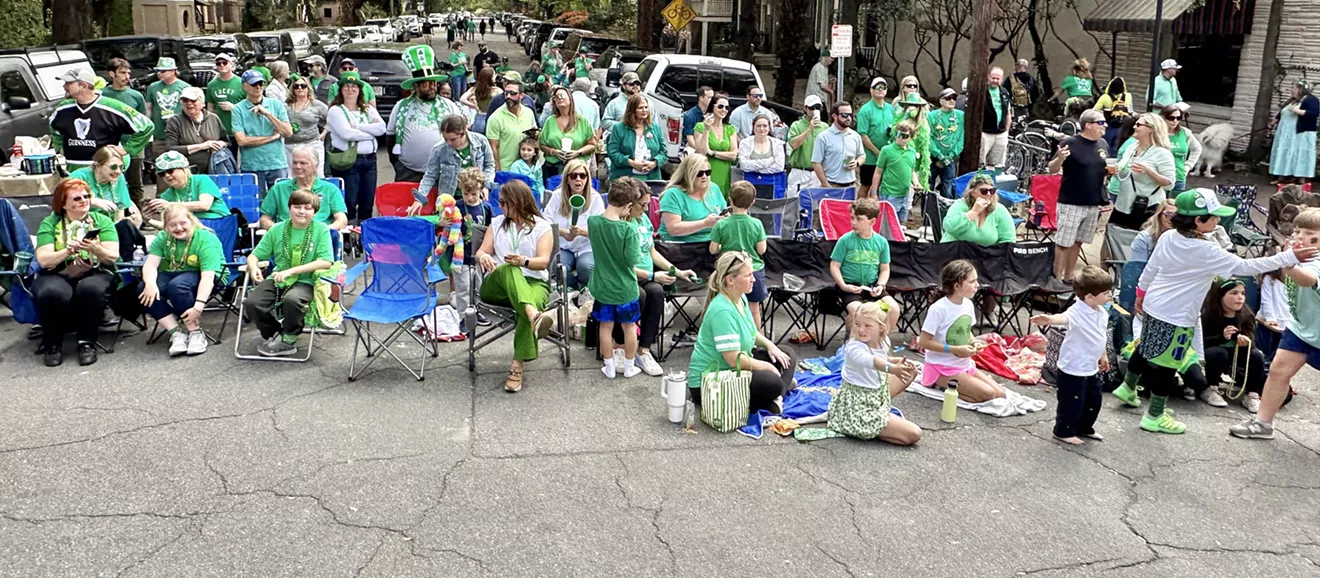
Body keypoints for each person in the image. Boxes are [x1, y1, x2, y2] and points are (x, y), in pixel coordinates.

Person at [1113, 189, 1313, 434]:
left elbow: (1151, 269)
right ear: (1198, 220)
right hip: (1177, 314)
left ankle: (1128, 387)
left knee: (1146, 346)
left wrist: (1140, 296)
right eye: (1213, 217)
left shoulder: (1168, 236)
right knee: (1167, 364)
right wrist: (1288, 256)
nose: (1218, 220)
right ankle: (1154, 414)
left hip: (1154, 304)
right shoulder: (1205, 250)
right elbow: (1246, 266)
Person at [1231, 209, 1320, 439]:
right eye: (1298, 231)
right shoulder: (1302, 258)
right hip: (1301, 328)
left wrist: (1289, 265)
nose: (1300, 237)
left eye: (1310, 234)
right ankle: (1262, 424)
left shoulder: (1314, 262)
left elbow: (1308, 279)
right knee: (1279, 370)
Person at [473, 181, 558, 393]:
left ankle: (517, 365)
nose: (500, 206)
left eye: (503, 202)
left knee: (527, 300)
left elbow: (543, 261)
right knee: (509, 269)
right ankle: (533, 314)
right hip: (498, 284)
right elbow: (481, 251)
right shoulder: (497, 223)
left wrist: (524, 262)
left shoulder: (542, 226)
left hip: (534, 280)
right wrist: (483, 257)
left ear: (517, 202)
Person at [688, 251, 798, 413]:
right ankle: (778, 390)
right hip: (709, 382)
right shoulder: (722, 311)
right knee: (771, 380)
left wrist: (770, 345)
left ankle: (776, 395)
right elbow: (733, 360)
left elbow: (751, 331)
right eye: (748, 275)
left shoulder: (740, 297)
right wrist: (766, 366)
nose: (753, 279)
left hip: (734, 368)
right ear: (730, 280)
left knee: (786, 353)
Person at [32, 179, 121, 366]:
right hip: (58, 271)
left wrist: (96, 249)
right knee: (51, 292)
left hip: (96, 270)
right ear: (63, 203)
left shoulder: (101, 220)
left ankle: (86, 342)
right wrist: (67, 251)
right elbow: (44, 259)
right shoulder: (50, 222)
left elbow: (112, 257)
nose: (84, 200)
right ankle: (52, 344)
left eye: (87, 196)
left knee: (90, 288)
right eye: (77, 198)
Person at [617, 178, 695, 376]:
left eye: (647, 205)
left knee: (656, 291)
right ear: (630, 203)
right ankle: (621, 347)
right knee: (639, 295)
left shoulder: (643, 220)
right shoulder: (620, 224)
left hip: (647, 274)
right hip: (626, 275)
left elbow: (652, 253)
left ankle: (643, 350)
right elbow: (622, 265)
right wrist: (653, 274)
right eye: (642, 205)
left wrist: (677, 272)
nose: (645, 209)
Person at [244, 189, 334, 358]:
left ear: (314, 212)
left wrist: (291, 271)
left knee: (292, 299)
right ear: (289, 208)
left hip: (307, 280)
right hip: (279, 278)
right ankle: (275, 334)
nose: (301, 211)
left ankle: (289, 337)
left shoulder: (321, 229)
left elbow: (326, 261)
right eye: (297, 206)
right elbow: (254, 255)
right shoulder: (277, 229)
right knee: (252, 302)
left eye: (307, 208)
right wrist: (254, 267)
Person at [1029, 266, 1113, 445]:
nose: (1109, 296)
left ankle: (1084, 427)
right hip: (1073, 368)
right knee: (1072, 402)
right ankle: (1063, 430)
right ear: (1089, 296)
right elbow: (1063, 318)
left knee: (1094, 400)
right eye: (1105, 293)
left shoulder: (1102, 312)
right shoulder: (1077, 312)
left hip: (1090, 367)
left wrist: (1103, 354)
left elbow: (1101, 334)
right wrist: (1050, 320)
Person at [820, 300, 921, 444]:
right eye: (857, 324)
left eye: (867, 326)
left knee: (911, 370)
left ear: (881, 327)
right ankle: (865, 426)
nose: (861, 330)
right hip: (857, 404)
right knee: (914, 434)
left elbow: (882, 358)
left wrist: (897, 362)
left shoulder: (884, 340)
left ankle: (879, 421)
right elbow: (871, 360)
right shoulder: (852, 347)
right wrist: (892, 368)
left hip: (875, 394)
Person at [138, 204, 225, 357]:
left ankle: (195, 332)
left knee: (177, 286)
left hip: (210, 276)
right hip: (175, 272)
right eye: (172, 225)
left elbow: (208, 277)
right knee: (143, 287)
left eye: (183, 223)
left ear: (191, 221)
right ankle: (176, 333)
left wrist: (198, 307)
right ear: (166, 227)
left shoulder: (205, 239)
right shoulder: (163, 238)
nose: (178, 228)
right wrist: (150, 284)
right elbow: (150, 265)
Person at [918, 260, 1005, 402]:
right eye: (972, 282)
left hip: (963, 364)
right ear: (957, 286)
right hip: (941, 367)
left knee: (1000, 394)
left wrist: (974, 342)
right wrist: (954, 349)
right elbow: (923, 342)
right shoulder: (939, 308)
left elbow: (966, 331)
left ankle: (956, 386)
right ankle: (939, 384)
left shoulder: (968, 304)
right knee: (988, 394)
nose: (977, 285)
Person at [1047, 109, 1112, 282]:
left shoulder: (1103, 144)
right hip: (1071, 201)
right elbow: (1051, 169)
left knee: (1078, 242)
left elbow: (1100, 170)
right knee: (1063, 242)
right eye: (1100, 122)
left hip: (1093, 202)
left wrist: (1109, 172)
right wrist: (1060, 158)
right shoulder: (1070, 142)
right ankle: (1056, 278)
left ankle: (1069, 277)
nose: (1105, 125)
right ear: (1088, 125)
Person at [588, 181, 644, 378]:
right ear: (629, 205)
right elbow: (633, 260)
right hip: (625, 288)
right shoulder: (629, 230)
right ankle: (629, 366)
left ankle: (609, 366)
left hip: (603, 286)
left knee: (605, 326)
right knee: (629, 327)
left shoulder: (593, 222)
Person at [49, 68, 152, 172]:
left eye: (69, 83)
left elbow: (147, 126)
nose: (64, 86)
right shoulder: (63, 108)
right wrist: (59, 148)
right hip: (73, 171)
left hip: (104, 172)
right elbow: (54, 128)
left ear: (83, 86)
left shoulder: (112, 107)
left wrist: (127, 149)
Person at [1202, 278, 1278, 413]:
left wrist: (1246, 341)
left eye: (1242, 294)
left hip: (1237, 356)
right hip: (1216, 355)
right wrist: (1221, 337)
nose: (1240, 297)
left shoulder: (1247, 315)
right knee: (1218, 353)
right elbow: (1202, 342)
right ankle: (1210, 388)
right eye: (1234, 293)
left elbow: (1252, 341)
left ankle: (1251, 395)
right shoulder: (1209, 315)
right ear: (1221, 296)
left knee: (1256, 355)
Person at [388, 45, 460, 183]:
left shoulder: (449, 106)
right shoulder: (401, 106)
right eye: (426, 84)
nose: (432, 87)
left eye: (433, 83)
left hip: (442, 171)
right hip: (408, 172)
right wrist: (397, 164)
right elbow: (390, 135)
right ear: (416, 86)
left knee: (442, 204)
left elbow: (461, 135)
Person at [827, 197, 901, 330]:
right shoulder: (845, 240)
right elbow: (834, 265)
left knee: (893, 309)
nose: (853, 222)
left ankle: (880, 340)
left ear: (872, 221)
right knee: (860, 312)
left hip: (873, 288)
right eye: (852, 218)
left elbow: (884, 269)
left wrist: (881, 285)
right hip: (851, 288)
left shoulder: (881, 242)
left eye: (859, 219)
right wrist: (843, 286)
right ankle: (854, 340)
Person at [327, 72, 386, 224]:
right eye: (347, 86)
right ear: (341, 90)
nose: (350, 89)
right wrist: (369, 134)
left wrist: (359, 127)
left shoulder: (367, 109)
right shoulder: (336, 110)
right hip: (349, 161)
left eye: (354, 87)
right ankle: (348, 236)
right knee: (350, 201)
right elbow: (346, 133)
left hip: (370, 160)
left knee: (367, 201)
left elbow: (381, 128)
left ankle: (363, 235)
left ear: (360, 90)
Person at [709, 182, 768, 328]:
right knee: (754, 309)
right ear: (753, 201)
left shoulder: (721, 224)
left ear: (730, 199)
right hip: (753, 270)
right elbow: (762, 250)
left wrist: (724, 245)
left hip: (730, 270)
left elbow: (713, 249)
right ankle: (756, 340)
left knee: (728, 306)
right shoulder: (756, 223)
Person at [444, 167, 494, 331]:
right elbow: (442, 220)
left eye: (473, 194)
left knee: (478, 287)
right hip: (460, 257)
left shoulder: (486, 208)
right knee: (463, 288)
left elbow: (490, 230)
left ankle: (476, 310)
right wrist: (444, 223)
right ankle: (463, 317)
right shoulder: (457, 206)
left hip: (479, 255)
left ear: (481, 190)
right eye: (466, 194)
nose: (470, 198)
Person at [542, 158, 604, 289]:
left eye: (582, 175)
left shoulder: (595, 198)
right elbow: (545, 222)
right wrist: (564, 233)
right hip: (563, 246)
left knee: (586, 267)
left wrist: (581, 232)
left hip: (587, 247)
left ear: (587, 178)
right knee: (559, 266)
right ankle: (571, 291)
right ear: (567, 179)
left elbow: (600, 228)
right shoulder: (557, 196)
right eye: (573, 176)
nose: (578, 179)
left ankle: (587, 291)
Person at [1109, 113, 1176, 230]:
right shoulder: (1132, 147)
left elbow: (1170, 184)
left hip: (1147, 208)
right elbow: (1124, 171)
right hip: (1123, 205)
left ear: (1151, 129)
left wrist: (1149, 171)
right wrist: (1116, 170)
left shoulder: (1162, 153)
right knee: (1112, 240)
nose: (1134, 127)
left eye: (1139, 124)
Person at [233, 70, 293, 196]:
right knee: (255, 203)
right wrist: (272, 138)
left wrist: (267, 113)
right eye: (254, 84)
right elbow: (242, 141)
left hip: (277, 163)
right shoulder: (238, 109)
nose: (258, 87)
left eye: (261, 83)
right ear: (244, 86)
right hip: (252, 165)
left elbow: (288, 132)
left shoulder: (276, 104)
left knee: (281, 201)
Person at [99, 58, 148, 207]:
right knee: (111, 180)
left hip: (132, 146)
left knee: (136, 183)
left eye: (128, 73)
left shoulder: (136, 96)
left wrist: (138, 146)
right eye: (122, 73)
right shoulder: (102, 95)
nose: (127, 76)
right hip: (109, 146)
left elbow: (143, 123)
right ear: (112, 74)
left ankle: (140, 216)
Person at [260, 149, 348, 231]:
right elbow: (264, 220)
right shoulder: (278, 188)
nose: (297, 166)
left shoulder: (330, 189)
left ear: (315, 166)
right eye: (295, 163)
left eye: (303, 163)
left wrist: (324, 231)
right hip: (286, 237)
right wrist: (281, 230)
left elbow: (342, 219)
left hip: (319, 237)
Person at [66, 146, 142, 228]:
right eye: (113, 167)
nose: (118, 172)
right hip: (80, 226)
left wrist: (121, 225)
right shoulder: (80, 177)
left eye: (121, 167)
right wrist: (92, 201)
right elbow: (63, 201)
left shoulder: (119, 178)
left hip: (108, 227)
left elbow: (121, 208)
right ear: (98, 165)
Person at [658, 154, 727, 242]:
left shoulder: (714, 188)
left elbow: (724, 211)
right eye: (699, 173)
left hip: (711, 244)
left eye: (708, 172)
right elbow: (673, 229)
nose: (704, 176)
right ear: (688, 174)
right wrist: (704, 223)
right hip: (680, 246)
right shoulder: (673, 194)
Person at [146, 151, 231, 221]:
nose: (167, 176)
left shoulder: (201, 180)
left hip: (219, 222)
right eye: (162, 174)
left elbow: (205, 205)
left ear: (183, 169)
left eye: (170, 171)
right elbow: (168, 227)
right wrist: (149, 221)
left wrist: (170, 205)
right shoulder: (166, 195)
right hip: (191, 231)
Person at [539, 86, 598, 183]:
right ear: (554, 103)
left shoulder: (582, 121)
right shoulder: (550, 121)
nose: (560, 98)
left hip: (576, 169)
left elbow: (592, 144)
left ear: (570, 99)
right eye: (557, 97)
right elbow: (542, 144)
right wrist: (554, 152)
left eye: (562, 95)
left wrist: (577, 152)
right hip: (552, 168)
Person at [163, 87, 226, 175]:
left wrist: (221, 144)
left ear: (203, 103)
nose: (189, 103)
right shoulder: (175, 121)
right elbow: (170, 148)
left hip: (214, 170)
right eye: (185, 100)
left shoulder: (213, 118)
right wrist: (202, 146)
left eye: (193, 100)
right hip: (188, 172)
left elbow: (227, 142)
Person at [940, 174, 1016, 245]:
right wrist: (973, 212)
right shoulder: (960, 205)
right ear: (973, 193)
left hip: (985, 255)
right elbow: (949, 227)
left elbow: (1008, 240)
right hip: (956, 252)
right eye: (984, 191)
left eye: (992, 191)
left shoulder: (1000, 210)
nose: (988, 194)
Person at [1269, 80, 1319, 185]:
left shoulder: (1310, 99)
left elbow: (1314, 113)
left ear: (1300, 89)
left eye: (1293, 87)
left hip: (1299, 132)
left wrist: (1297, 111)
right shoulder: (1292, 100)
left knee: (1300, 153)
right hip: (1286, 133)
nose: (1291, 90)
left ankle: (1301, 179)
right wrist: (1273, 122)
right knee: (1284, 152)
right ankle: (1281, 177)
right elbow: (1282, 113)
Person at [607, 93, 665, 181]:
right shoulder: (619, 128)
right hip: (625, 179)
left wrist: (654, 163)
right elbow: (613, 153)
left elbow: (663, 152)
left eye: (646, 107)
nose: (644, 110)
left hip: (651, 179)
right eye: (640, 108)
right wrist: (632, 163)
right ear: (632, 110)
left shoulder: (655, 127)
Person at [145, 57, 192, 160]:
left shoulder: (185, 87)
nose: (159, 73)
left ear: (173, 71)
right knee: (159, 161)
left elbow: (191, 109)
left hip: (180, 134)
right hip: (159, 134)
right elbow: (148, 108)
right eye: (158, 71)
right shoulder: (152, 87)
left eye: (162, 71)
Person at [486, 79, 538, 171]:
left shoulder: (528, 112)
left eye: (513, 93)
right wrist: (498, 171)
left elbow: (533, 138)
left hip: (526, 168)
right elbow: (493, 148)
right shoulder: (495, 118)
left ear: (521, 95)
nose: (508, 96)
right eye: (506, 93)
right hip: (506, 169)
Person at [871, 119, 919, 218]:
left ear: (911, 138)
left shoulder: (912, 152)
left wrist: (916, 182)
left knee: (901, 223)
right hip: (889, 194)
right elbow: (878, 172)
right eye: (898, 134)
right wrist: (874, 192)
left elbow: (912, 171)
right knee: (888, 222)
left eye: (904, 136)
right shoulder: (886, 150)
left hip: (905, 194)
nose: (900, 138)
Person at [284, 75, 329, 177]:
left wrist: (325, 132)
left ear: (308, 88)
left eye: (303, 86)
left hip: (312, 144)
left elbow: (332, 117)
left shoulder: (317, 104)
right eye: (296, 86)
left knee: (318, 174)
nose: (299, 88)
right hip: (291, 146)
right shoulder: (286, 105)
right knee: (293, 176)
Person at [693, 93, 738, 196]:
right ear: (712, 106)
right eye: (720, 106)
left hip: (724, 172)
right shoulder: (700, 127)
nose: (724, 110)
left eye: (727, 107)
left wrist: (713, 152)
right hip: (706, 170)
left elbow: (733, 155)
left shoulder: (730, 129)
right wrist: (707, 129)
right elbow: (701, 152)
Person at [812, 101, 865, 189]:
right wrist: (825, 184)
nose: (848, 118)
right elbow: (816, 162)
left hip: (851, 186)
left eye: (850, 115)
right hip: (831, 185)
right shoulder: (823, 137)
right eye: (844, 115)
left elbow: (862, 155)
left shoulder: (856, 136)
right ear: (834, 116)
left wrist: (857, 162)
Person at [857, 77, 896, 191]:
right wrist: (877, 152)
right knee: (866, 186)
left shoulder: (890, 109)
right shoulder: (865, 110)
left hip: (887, 156)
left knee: (883, 187)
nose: (880, 90)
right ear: (871, 90)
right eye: (877, 87)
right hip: (870, 158)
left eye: (883, 87)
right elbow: (863, 135)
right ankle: (860, 208)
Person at [787, 95, 828, 196]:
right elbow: (794, 144)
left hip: (818, 173)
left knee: (815, 206)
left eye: (818, 108)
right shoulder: (796, 125)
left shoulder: (825, 127)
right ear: (805, 108)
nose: (815, 110)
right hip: (800, 172)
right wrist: (809, 129)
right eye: (811, 108)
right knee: (795, 205)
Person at [928, 88, 965, 199]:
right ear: (941, 101)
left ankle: (946, 213)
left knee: (948, 190)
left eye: (954, 98)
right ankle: (926, 213)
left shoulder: (960, 115)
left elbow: (961, 138)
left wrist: (951, 155)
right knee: (928, 187)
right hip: (932, 158)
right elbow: (928, 138)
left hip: (950, 158)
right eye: (948, 98)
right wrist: (938, 155)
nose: (952, 101)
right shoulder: (931, 116)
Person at [1162, 105, 1202, 194]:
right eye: (1171, 118)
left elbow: (1197, 149)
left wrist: (1188, 166)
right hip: (1159, 178)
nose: (1175, 121)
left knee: (1174, 206)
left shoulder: (1184, 132)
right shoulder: (1156, 133)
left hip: (1179, 177)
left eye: (1178, 118)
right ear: (1163, 117)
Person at [206, 54, 246, 139]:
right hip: (220, 132)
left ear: (231, 64)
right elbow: (210, 108)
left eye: (224, 63)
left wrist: (234, 107)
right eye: (218, 63)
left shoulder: (242, 83)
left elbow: (251, 106)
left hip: (241, 130)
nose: (221, 65)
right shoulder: (211, 85)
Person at [980, 67, 1013, 167]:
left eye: (997, 79)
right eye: (993, 78)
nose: (995, 81)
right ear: (988, 77)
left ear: (1002, 79)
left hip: (1001, 133)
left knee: (997, 164)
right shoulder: (982, 91)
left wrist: (1006, 130)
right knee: (981, 161)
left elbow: (1008, 112)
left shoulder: (1004, 92)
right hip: (985, 132)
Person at [1093, 77, 1132, 152]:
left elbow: (1094, 111)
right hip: (1124, 126)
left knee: (1107, 146)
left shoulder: (1105, 97)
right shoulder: (1128, 96)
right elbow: (1130, 110)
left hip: (1109, 125)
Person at [510, 136, 545, 201]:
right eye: (523, 149)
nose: (525, 152)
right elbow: (514, 186)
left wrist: (542, 197)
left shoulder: (537, 165)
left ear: (535, 152)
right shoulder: (516, 166)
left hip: (536, 195)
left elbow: (539, 184)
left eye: (529, 150)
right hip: (521, 196)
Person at [682, 86, 715, 150]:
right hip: (696, 146)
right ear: (701, 98)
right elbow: (690, 138)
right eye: (709, 98)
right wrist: (699, 151)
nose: (712, 100)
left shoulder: (714, 112)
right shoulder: (689, 115)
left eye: (713, 97)